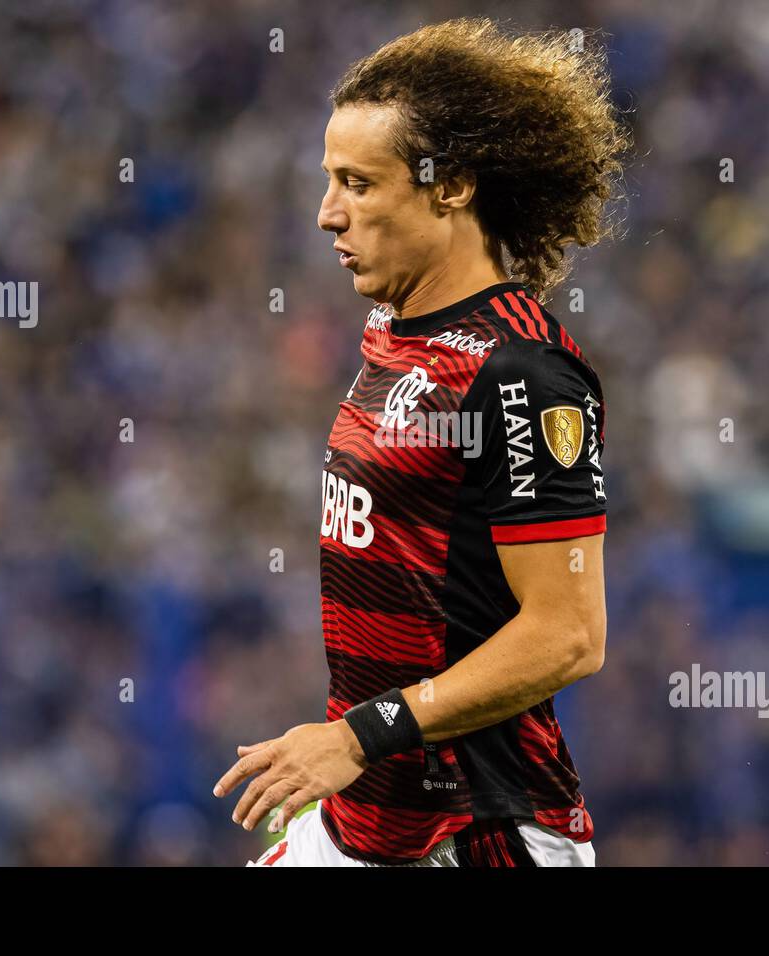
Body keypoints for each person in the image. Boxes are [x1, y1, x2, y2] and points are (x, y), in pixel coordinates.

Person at [215, 16, 632, 866]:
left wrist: (357, 736)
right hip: (367, 818)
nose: (328, 214)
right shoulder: (391, 330)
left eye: (359, 184)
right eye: (329, 181)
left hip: (480, 830)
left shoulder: (523, 373)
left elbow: (569, 635)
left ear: (451, 187)